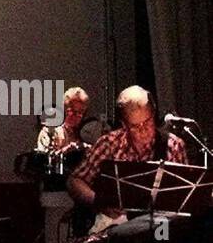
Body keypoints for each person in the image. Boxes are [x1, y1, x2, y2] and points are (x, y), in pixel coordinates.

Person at [68, 85, 187, 219]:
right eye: (135, 126)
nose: (144, 130)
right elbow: (75, 181)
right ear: (124, 125)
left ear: (153, 114)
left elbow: (183, 197)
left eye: (147, 122)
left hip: (160, 226)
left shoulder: (173, 145)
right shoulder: (109, 143)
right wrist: (99, 202)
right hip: (119, 225)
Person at [35, 86, 88, 154]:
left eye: (80, 112)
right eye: (72, 110)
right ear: (64, 109)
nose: (76, 115)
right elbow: (44, 159)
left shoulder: (86, 135)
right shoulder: (49, 132)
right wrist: (65, 151)